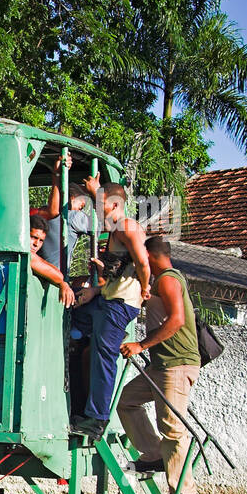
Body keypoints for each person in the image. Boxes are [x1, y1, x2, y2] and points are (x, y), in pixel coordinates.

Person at [115, 236, 202, 494]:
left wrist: (141, 345)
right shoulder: (159, 281)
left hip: (175, 364)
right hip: (162, 364)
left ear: (150, 255)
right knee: (126, 401)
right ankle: (153, 455)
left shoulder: (168, 279)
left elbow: (177, 320)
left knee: (173, 428)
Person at [71, 177, 152, 437]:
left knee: (103, 358)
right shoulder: (115, 228)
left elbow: (142, 261)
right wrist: (98, 283)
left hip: (120, 304)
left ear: (114, 203)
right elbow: (121, 271)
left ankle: (96, 419)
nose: (96, 207)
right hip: (107, 299)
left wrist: (145, 287)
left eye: (100, 202)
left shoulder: (127, 227)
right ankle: (80, 407)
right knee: (75, 332)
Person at [0, 213, 76, 340]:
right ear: (23, 235)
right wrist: (63, 284)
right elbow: (57, 275)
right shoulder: (16, 252)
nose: (36, 244)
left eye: (41, 241)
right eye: (33, 237)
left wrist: (62, 283)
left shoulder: (9, 250)